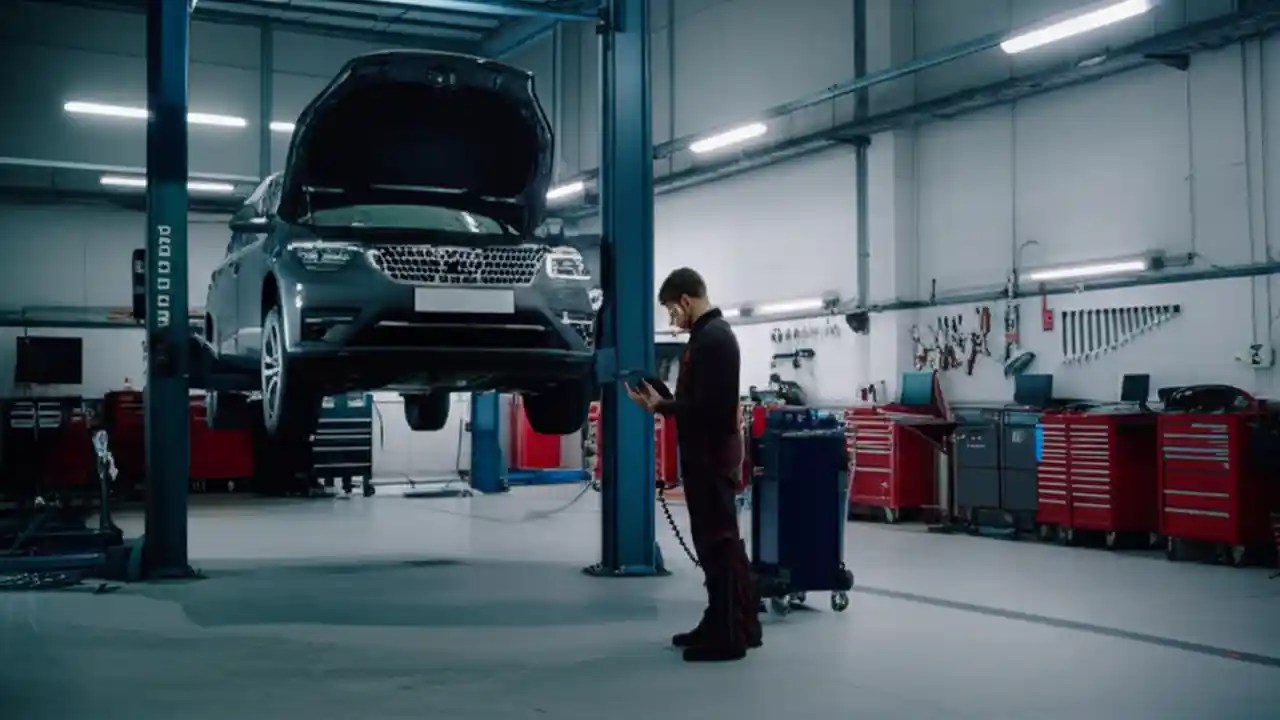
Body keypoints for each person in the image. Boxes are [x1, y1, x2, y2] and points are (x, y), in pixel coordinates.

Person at [626, 268, 762, 663]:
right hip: (705, 455)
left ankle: (729, 634)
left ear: (686, 300)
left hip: (711, 456)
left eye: (672, 311)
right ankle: (722, 620)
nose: (672, 319)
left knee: (719, 542)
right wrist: (666, 397)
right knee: (712, 542)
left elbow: (713, 410)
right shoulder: (705, 339)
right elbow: (701, 400)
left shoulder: (714, 340)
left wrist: (662, 406)